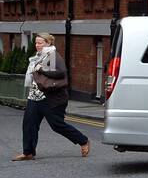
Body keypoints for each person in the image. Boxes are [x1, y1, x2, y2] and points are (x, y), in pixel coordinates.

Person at [12, 31, 90, 162]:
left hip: (50, 98)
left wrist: (40, 69)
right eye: (36, 42)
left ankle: (83, 140)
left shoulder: (52, 55)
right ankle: (28, 152)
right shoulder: (38, 56)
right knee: (29, 124)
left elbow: (60, 72)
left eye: (40, 43)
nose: (37, 45)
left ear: (48, 43)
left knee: (57, 125)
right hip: (34, 96)